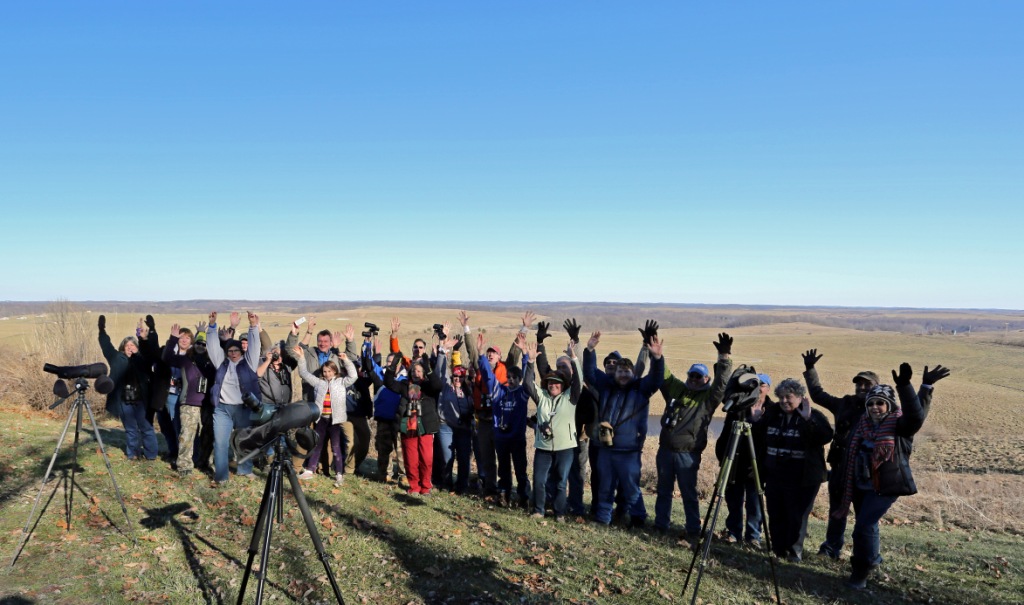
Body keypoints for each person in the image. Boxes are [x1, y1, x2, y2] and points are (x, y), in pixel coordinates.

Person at [804, 350, 945, 560]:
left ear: (877, 388)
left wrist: (925, 388)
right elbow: (818, 395)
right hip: (842, 467)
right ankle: (831, 549)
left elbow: (916, 416)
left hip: (871, 476)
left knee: (866, 519)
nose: (862, 388)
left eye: (867, 384)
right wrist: (810, 369)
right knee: (836, 512)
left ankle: (870, 556)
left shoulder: (889, 414)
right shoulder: (845, 404)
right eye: (859, 384)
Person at [835, 363, 944, 589]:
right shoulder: (862, 424)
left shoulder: (900, 426)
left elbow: (916, 415)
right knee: (868, 524)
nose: (875, 407)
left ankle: (860, 572)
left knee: (863, 526)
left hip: (886, 486)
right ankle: (873, 559)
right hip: (860, 485)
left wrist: (908, 386)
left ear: (890, 405)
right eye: (871, 403)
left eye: (880, 403)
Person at [652, 333, 732, 537]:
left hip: (688, 454)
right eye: (692, 376)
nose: (694, 380)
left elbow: (721, 385)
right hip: (665, 451)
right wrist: (657, 356)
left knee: (688, 494)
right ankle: (661, 525)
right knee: (663, 491)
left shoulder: (708, 399)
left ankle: (694, 530)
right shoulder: (678, 389)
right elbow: (665, 375)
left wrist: (724, 358)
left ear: (707, 379)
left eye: (699, 377)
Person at [584, 329, 665, 527]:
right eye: (620, 371)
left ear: (632, 373)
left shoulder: (641, 389)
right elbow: (590, 372)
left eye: (626, 371)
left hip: (629, 450)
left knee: (631, 488)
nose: (622, 374)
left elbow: (656, 378)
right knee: (605, 486)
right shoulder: (606, 385)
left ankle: (638, 518)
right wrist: (590, 350)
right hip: (606, 448)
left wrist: (657, 358)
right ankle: (603, 518)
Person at [750, 378, 833, 562]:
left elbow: (825, 436)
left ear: (801, 397)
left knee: (796, 515)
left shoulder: (812, 415)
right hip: (775, 474)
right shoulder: (771, 413)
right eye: (781, 397)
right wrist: (755, 421)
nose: (784, 401)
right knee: (776, 512)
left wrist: (807, 419)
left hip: (802, 477)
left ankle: (794, 552)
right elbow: (759, 439)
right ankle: (778, 551)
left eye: (789, 397)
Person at [521, 339, 580, 521]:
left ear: (562, 385)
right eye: (550, 383)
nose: (553, 385)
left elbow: (579, 380)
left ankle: (559, 513)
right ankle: (538, 510)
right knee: (539, 480)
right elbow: (528, 384)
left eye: (557, 383)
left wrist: (574, 358)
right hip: (544, 448)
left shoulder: (570, 397)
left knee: (562, 483)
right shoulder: (542, 398)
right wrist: (530, 362)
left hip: (565, 448)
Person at [206, 311, 262, 485]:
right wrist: (212, 326)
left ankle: (245, 470)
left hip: (243, 409)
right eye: (230, 350)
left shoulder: (250, 363)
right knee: (220, 443)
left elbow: (255, 347)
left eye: (236, 350)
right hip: (222, 409)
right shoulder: (221, 363)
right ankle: (221, 475)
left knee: (244, 441)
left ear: (241, 351)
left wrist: (253, 326)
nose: (233, 353)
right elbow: (213, 347)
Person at [385, 337, 446, 495]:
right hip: (409, 424)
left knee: (426, 457)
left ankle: (426, 485)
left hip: (425, 424)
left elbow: (438, 385)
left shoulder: (428, 386)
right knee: (411, 458)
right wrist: (394, 363)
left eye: (419, 371)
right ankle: (414, 486)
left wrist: (428, 368)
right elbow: (389, 382)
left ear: (424, 372)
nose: (416, 372)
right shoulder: (406, 385)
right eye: (414, 370)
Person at [293, 346, 358, 485]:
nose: (327, 374)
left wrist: (346, 361)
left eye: (329, 371)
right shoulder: (319, 383)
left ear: (334, 371)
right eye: (324, 371)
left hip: (335, 420)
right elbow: (304, 373)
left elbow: (354, 376)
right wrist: (301, 357)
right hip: (321, 419)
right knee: (317, 444)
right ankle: (310, 469)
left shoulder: (341, 382)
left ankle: (339, 474)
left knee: (336, 447)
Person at [483, 333, 532, 508]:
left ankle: (524, 496)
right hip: (501, 438)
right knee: (503, 468)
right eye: (509, 377)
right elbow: (488, 375)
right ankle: (503, 494)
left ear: (519, 380)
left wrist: (526, 356)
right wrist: (483, 356)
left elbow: (528, 377)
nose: (510, 380)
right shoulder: (499, 391)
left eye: (514, 378)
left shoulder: (523, 392)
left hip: (517, 438)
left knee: (520, 469)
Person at [98, 315, 157, 461]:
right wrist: (101, 330)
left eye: (133, 345)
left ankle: (151, 455)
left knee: (147, 429)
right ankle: (133, 454)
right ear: (123, 348)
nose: (130, 348)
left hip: (142, 400)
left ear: (137, 347)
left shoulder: (143, 360)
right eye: (127, 345)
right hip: (124, 400)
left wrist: (148, 334)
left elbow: (151, 349)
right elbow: (106, 346)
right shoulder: (116, 358)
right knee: (131, 430)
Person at [162, 322, 217, 478]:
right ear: (194, 344)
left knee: (208, 435)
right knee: (187, 435)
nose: (201, 346)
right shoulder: (186, 359)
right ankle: (184, 464)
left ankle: (204, 462)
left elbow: (226, 352)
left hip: (207, 404)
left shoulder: (213, 362)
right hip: (189, 403)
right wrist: (173, 338)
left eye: (204, 344)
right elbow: (167, 357)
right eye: (198, 343)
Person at [436, 355, 475, 493]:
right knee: (447, 458)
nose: (457, 379)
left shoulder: (470, 390)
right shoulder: (446, 387)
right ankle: (446, 483)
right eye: (455, 376)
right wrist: (442, 352)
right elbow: (439, 373)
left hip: (463, 429)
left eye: (460, 377)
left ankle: (462, 486)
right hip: (446, 426)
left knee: (464, 458)